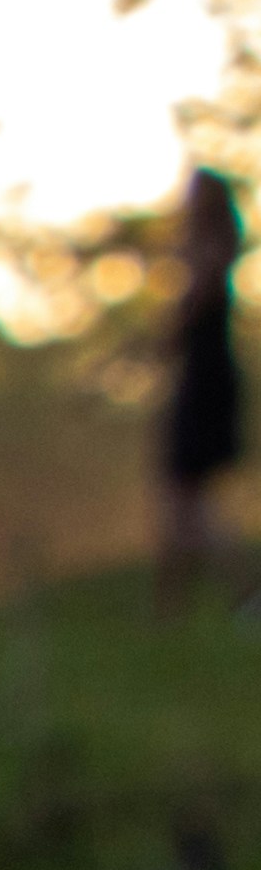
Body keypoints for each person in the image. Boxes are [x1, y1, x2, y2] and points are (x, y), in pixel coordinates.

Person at [165, 166, 244, 622]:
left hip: (206, 385)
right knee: (179, 504)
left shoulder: (211, 255)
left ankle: (246, 592)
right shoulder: (203, 255)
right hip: (197, 382)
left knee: (187, 503)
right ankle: (171, 610)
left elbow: (188, 320)